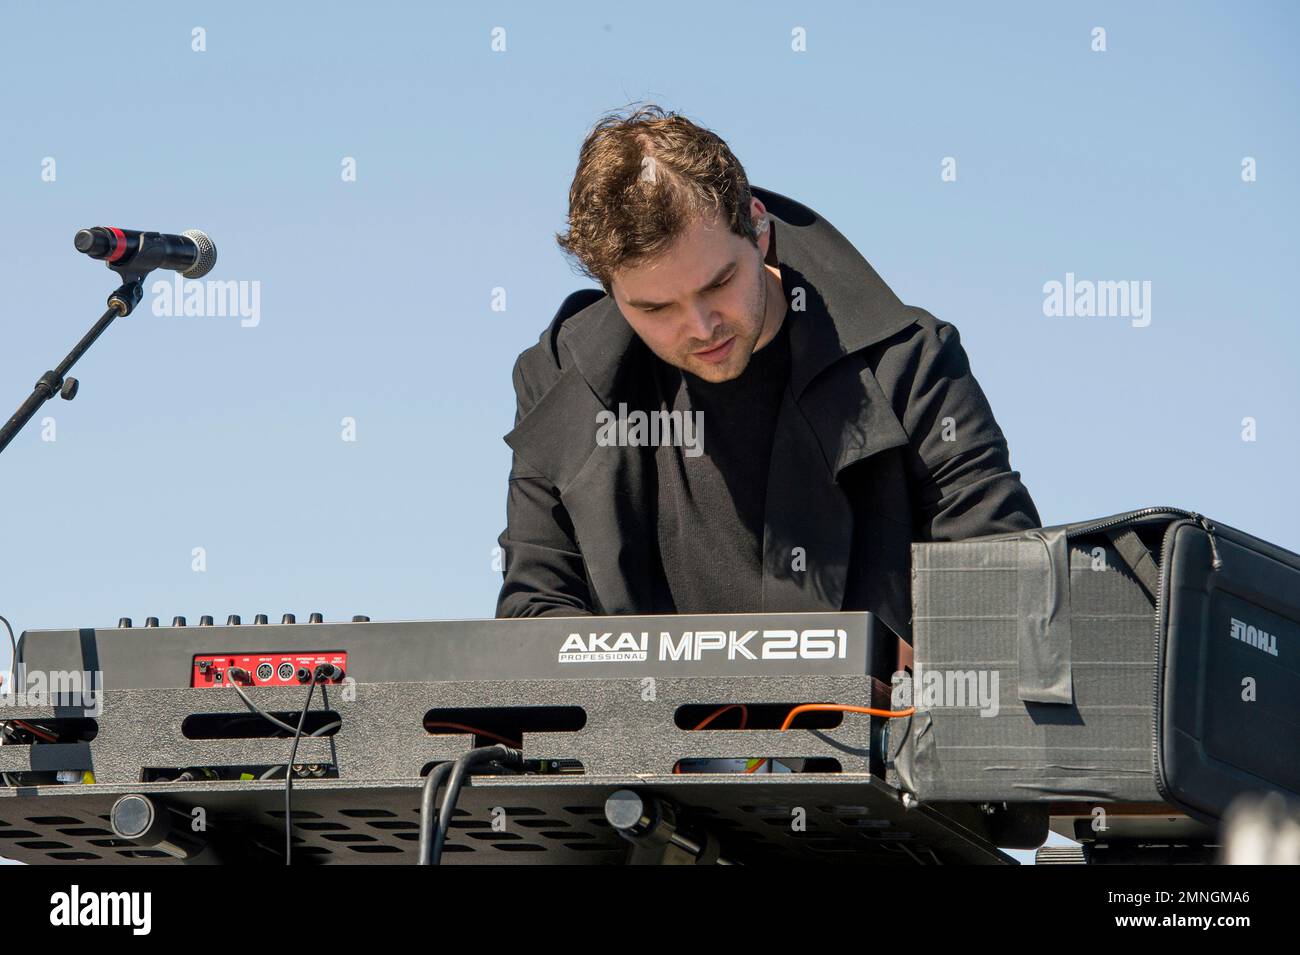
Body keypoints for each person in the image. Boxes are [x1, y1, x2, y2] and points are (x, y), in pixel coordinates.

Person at [495, 104, 1040, 646]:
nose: (702, 327)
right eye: (656, 309)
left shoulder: (909, 365)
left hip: (874, 732)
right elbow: (535, 607)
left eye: (718, 283)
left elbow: (1001, 580)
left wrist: (905, 675)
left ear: (758, 229)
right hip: (638, 732)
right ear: (612, 291)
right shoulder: (557, 379)